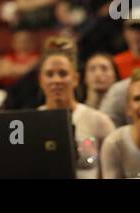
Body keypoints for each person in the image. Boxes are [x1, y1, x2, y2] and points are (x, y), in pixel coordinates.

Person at [37, 37, 114, 178]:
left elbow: (112, 171)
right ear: (41, 80)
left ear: (75, 79)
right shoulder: (32, 122)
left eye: (63, 74)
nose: (56, 80)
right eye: (49, 74)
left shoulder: (99, 121)